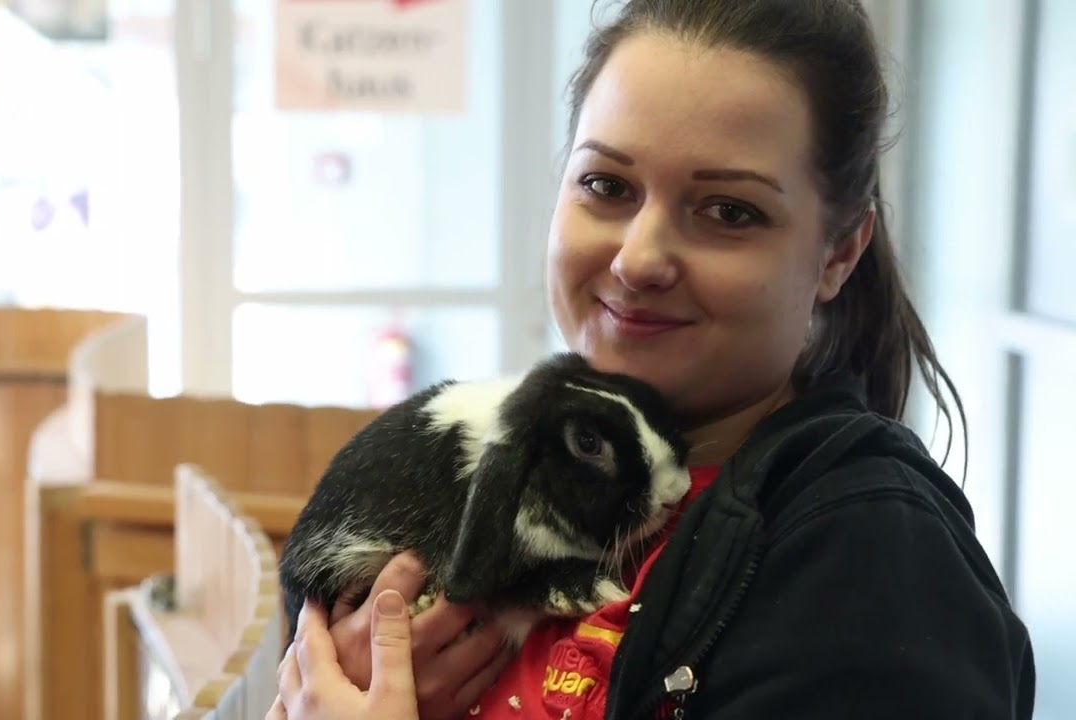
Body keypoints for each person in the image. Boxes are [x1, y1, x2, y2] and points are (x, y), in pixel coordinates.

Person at [268, 0, 1037, 718]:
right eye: (607, 185)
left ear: (839, 252)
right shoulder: (489, 462)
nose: (639, 259)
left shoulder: (873, 573)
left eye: (729, 211)